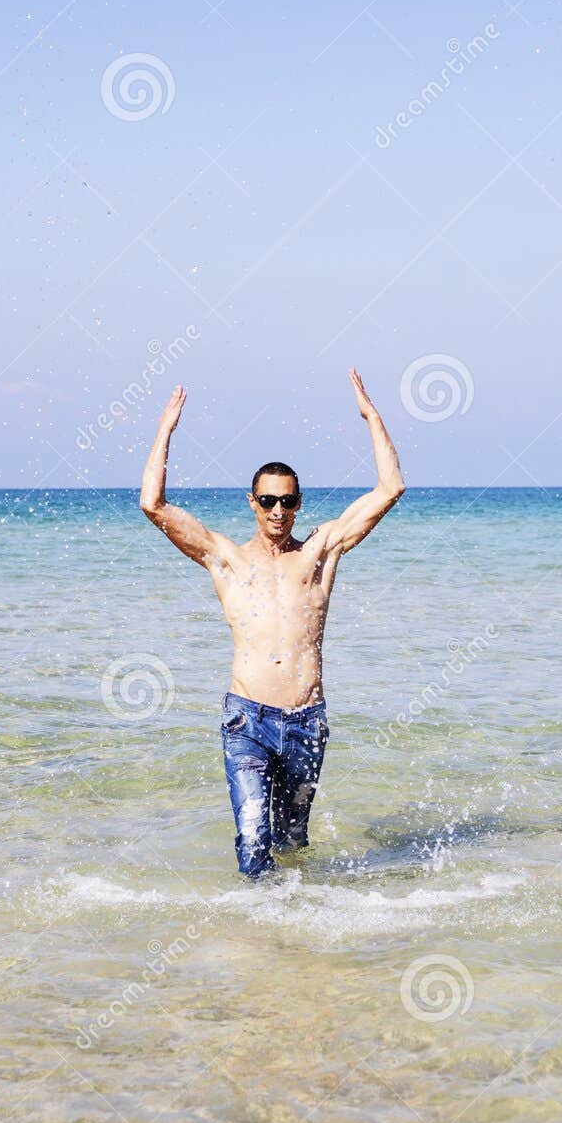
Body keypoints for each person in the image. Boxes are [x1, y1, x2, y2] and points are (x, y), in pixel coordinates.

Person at [139, 369, 406, 876]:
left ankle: (289, 939)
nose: (278, 511)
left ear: (298, 503)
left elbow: (390, 487)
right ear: (252, 502)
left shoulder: (320, 554)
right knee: (253, 837)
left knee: (292, 842)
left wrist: (371, 416)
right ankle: (254, 933)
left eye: (287, 500)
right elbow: (153, 504)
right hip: (248, 721)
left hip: (308, 720)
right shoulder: (226, 559)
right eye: (267, 500)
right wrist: (165, 430)